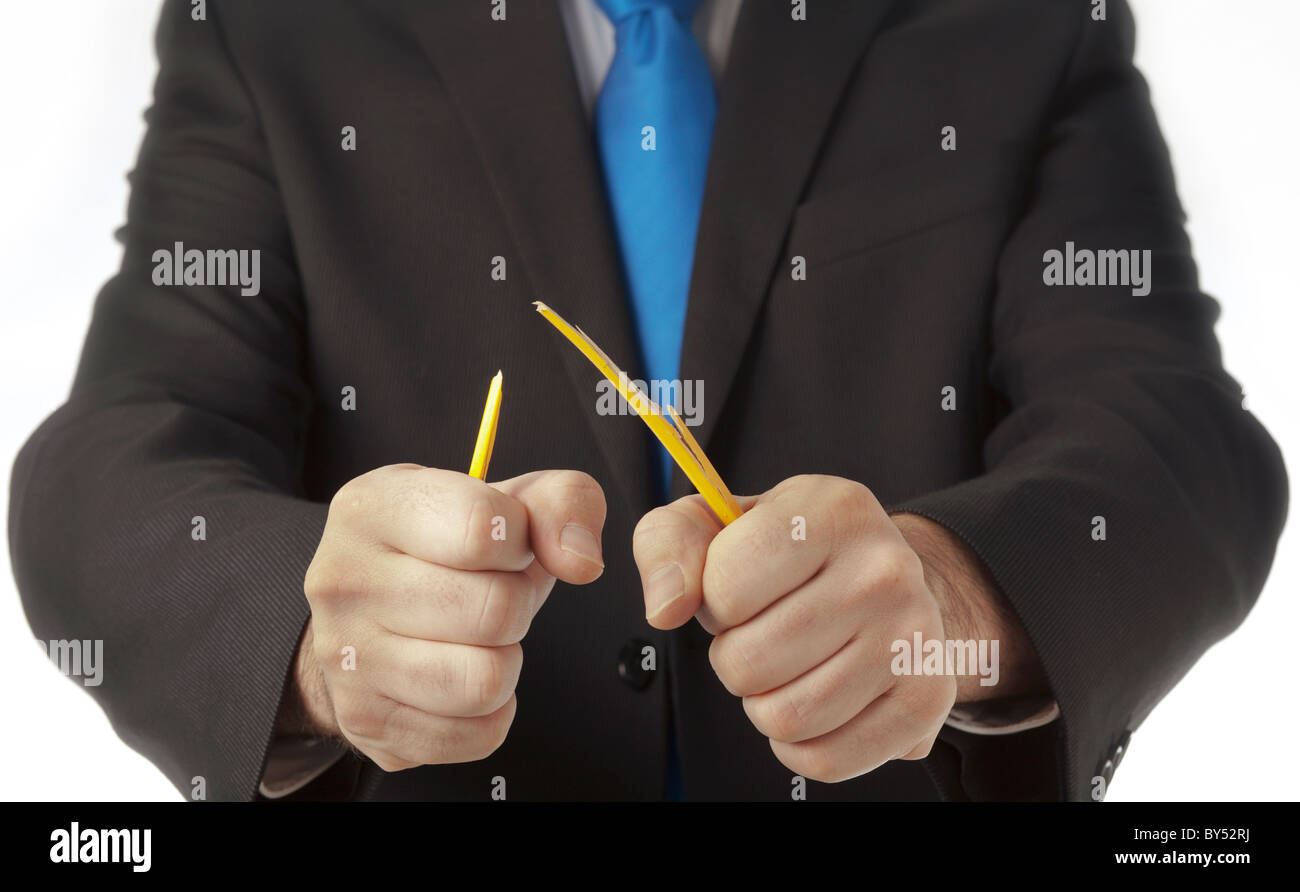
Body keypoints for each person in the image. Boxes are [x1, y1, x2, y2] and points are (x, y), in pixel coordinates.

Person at [9, 0, 1287, 802]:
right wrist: (314, 635)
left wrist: (952, 597)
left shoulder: (1024, 22)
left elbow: (1178, 439)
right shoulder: (273, 25)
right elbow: (111, 464)